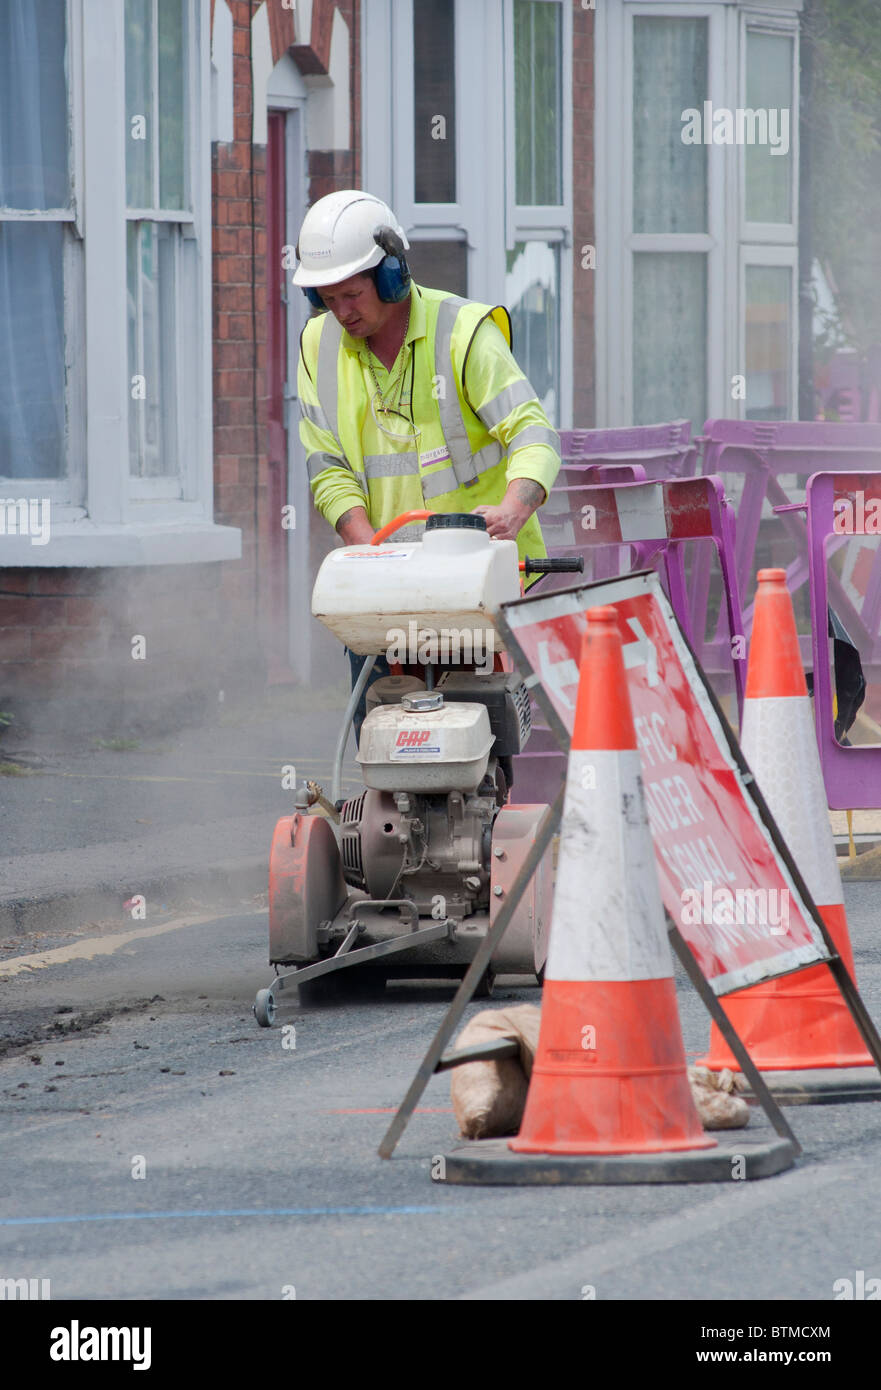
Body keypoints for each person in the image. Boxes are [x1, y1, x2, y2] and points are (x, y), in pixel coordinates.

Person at [292, 189, 561, 738]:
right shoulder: (319, 346)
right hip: (386, 588)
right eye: (326, 298)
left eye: (352, 294)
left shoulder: (462, 332)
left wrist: (512, 510)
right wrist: (364, 546)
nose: (341, 312)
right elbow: (327, 464)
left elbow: (534, 434)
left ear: (391, 275)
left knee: (474, 738)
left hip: (477, 582)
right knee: (383, 738)